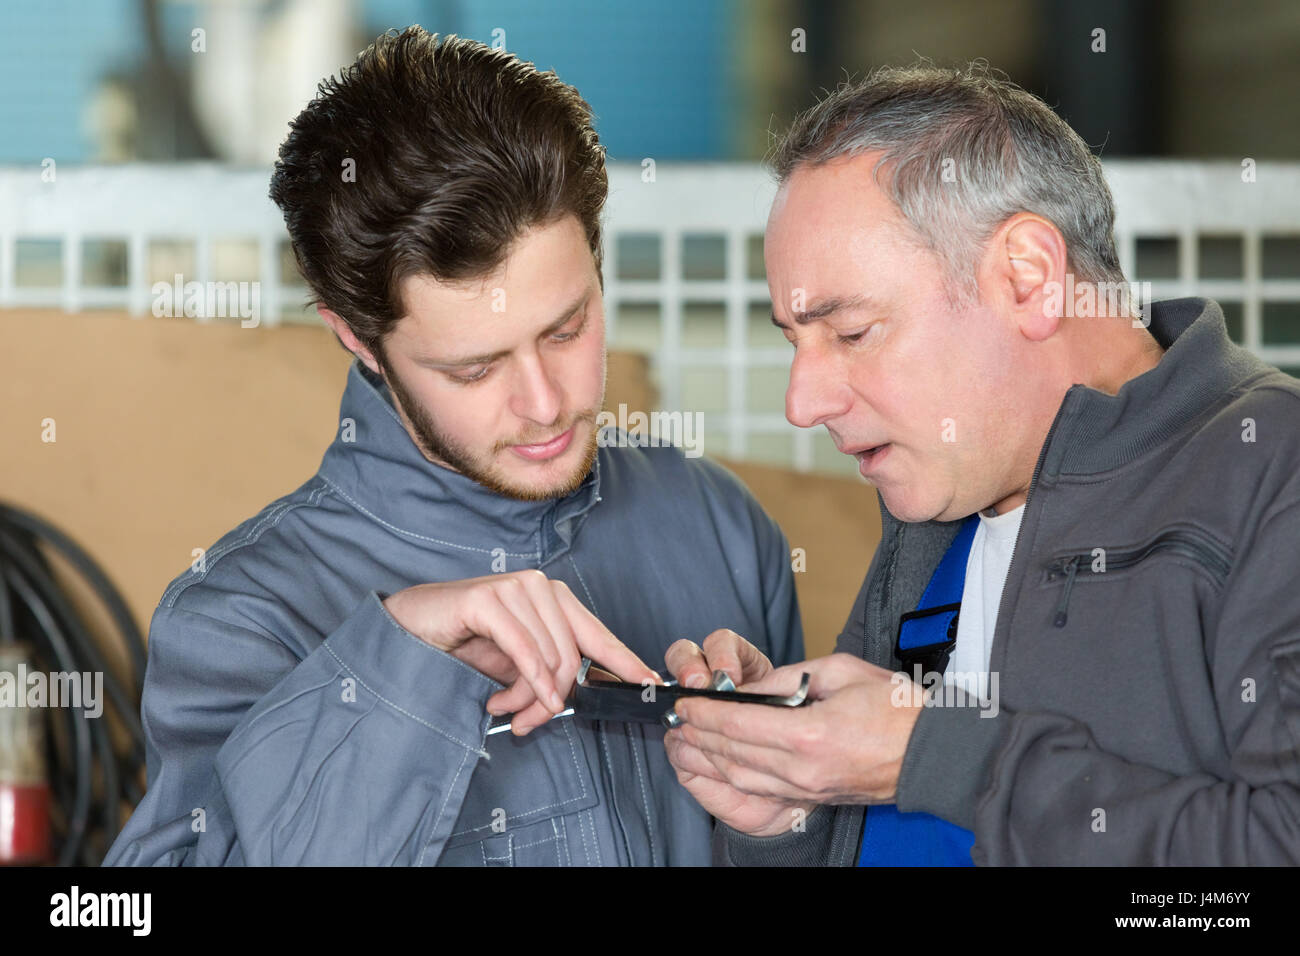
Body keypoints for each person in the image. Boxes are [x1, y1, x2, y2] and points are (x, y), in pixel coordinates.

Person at [104, 27, 803, 866]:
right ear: (357, 339)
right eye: (474, 369)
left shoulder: (719, 527)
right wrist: (402, 665)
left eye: (568, 327)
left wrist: (785, 823)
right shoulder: (241, 621)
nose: (546, 404)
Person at [662, 62, 1300, 865]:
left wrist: (937, 756)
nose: (802, 402)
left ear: (1028, 277)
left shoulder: (1273, 474)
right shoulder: (935, 506)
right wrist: (788, 812)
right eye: (795, 342)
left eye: (852, 332)